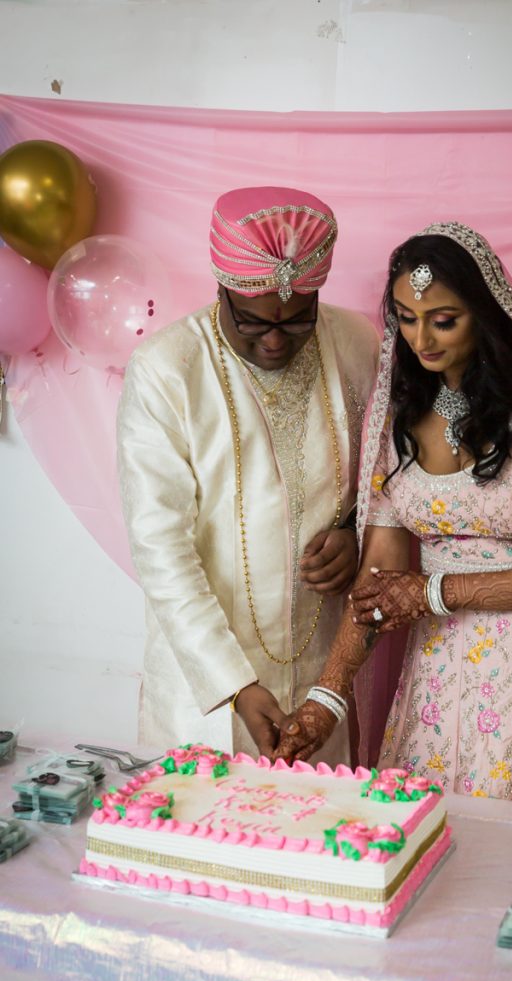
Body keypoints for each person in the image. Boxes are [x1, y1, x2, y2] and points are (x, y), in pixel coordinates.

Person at [274, 220, 512, 816]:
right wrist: (326, 698)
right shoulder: (400, 414)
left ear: (486, 312)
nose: (420, 338)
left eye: (443, 319)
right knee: (424, 845)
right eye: (404, 317)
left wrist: (434, 592)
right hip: (439, 674)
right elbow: (377, 576)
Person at [117, 186, 378, 763]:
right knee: (203, 839)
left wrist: (356, 532)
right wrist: (232, 683)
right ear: (220, 290)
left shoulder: (357, 346)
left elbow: (392, 479)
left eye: (297, 320)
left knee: (319, 840)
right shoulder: (166, 370)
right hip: (204, 685)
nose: (276, 339)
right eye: (254, 322)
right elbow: (160, 547)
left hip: (320, 678)